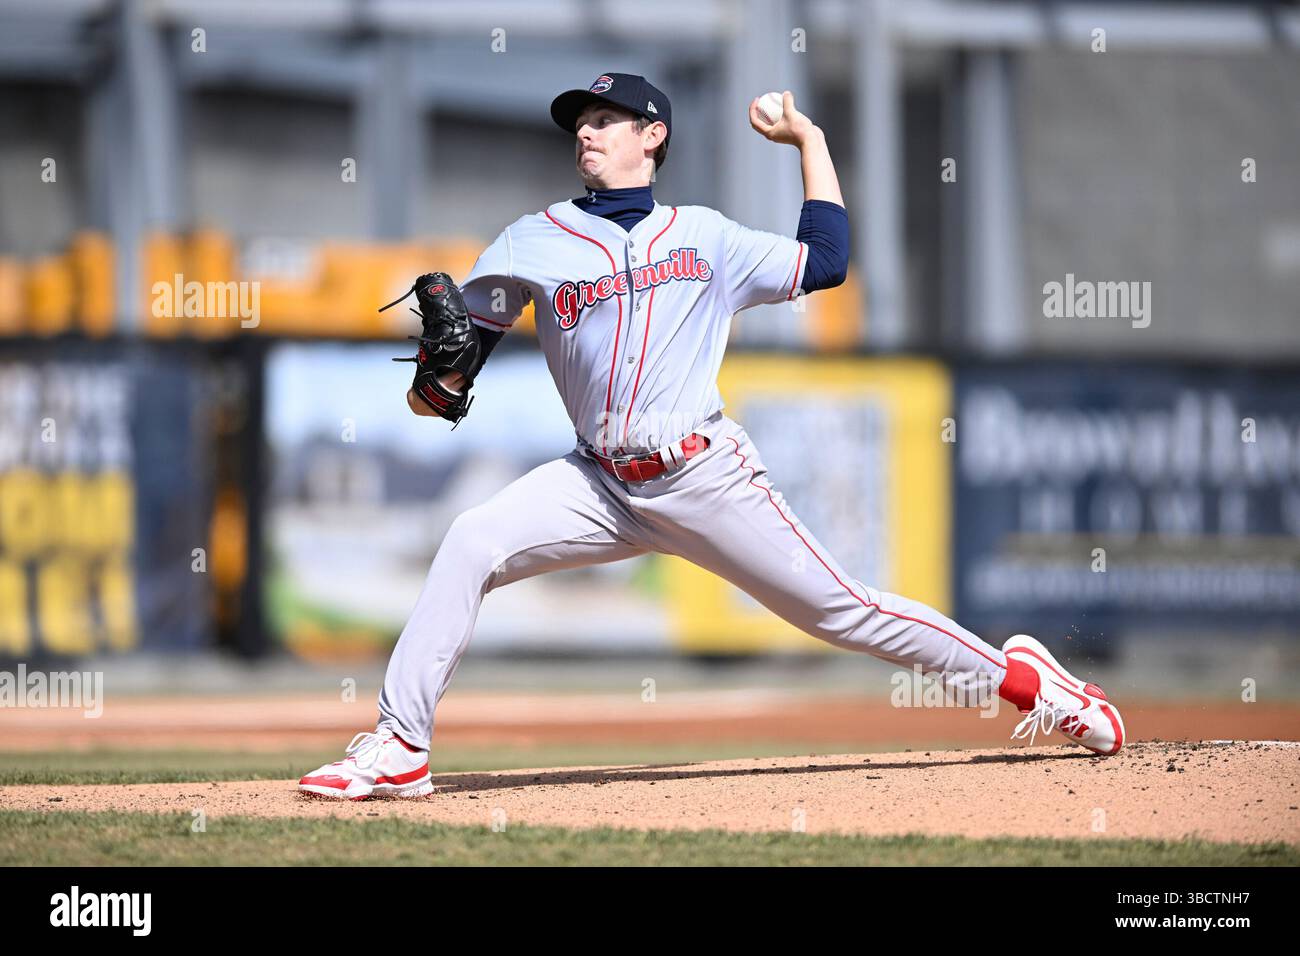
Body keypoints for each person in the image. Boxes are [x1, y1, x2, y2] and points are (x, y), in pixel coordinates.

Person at [299, 73, 1124, 800]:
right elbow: (442, 389)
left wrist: (811, 139)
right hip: (599, 484)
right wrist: (436, 381)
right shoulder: (530, 240)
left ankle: (1039, 688)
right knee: (471, 538)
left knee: (849, 614)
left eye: (606, 118)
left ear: (652, 135)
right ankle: (401, 746)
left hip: (706, 476)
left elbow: (827, 260)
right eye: (579, 120)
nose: (585, 131)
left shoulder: (707, 237)